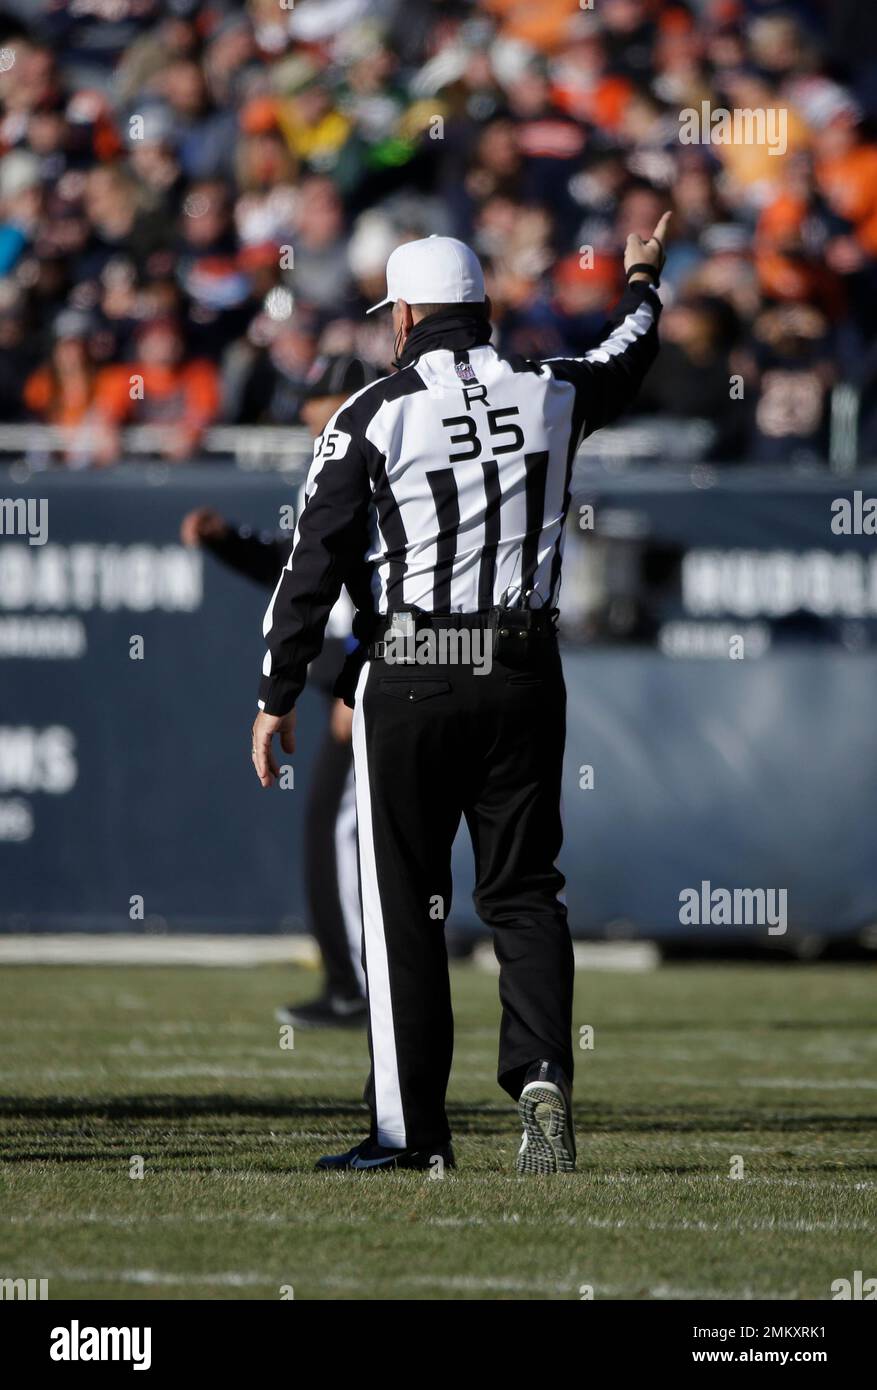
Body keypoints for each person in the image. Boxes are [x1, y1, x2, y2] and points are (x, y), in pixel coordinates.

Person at [251, 223, 668, 1173]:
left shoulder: (368, 414)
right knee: (524, 890)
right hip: (523, 665)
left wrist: (276, 690)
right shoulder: (553, 389)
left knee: (406, 905)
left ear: (402, 317)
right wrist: (643, 277)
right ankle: (540, 1074)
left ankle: (411, 1137)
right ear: (482, 309)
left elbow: (310, 566)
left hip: (415, 666)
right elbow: (631, 350)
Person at [182, 355, 379, 1025]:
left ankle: (361, 989)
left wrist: (359, 672)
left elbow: (382, 582)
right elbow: (299, 566)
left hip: (378, 673)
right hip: (362, 671)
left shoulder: (371, 453)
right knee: (338, 829)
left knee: (345, 829)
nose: (302, 412)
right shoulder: (339, 455)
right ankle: (353, 984)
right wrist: (227, 542)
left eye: (315, 399)